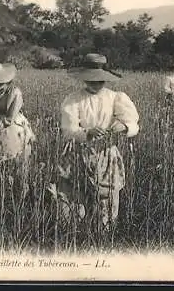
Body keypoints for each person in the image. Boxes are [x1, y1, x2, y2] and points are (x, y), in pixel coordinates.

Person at [59, 54, 140, 230]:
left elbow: (133, 122)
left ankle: (104, 233)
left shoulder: (115, 97)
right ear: (84, 79)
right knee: (77, 194)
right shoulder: (73, 99)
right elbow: (68, 129)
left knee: (107, 196)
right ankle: (76, 233)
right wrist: (87, 133)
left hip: (106, 152)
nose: (95, 84)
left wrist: (124, 126)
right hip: (79, 153)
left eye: (99, 81)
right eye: (91, 80)